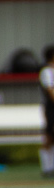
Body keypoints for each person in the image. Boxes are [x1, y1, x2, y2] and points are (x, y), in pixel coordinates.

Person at [39, 44, 54, 179]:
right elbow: (50, 91)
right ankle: (47, 167)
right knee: (49, 136)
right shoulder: (47, 72)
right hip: (51, 108)